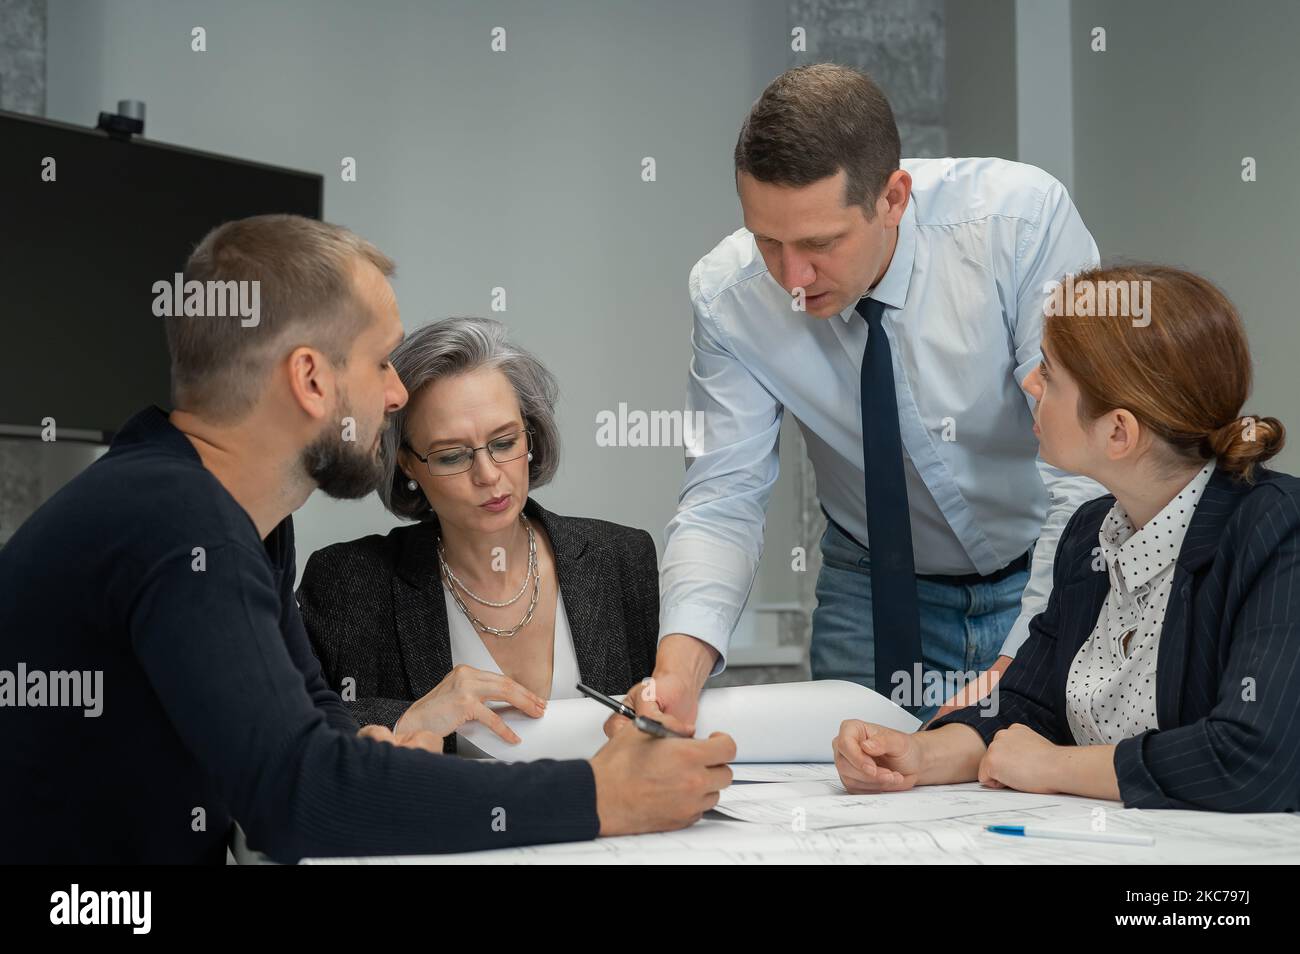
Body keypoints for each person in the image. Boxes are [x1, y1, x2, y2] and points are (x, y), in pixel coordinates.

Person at [0, 214, 733, 864]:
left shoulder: (232, 519)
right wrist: (599, 796)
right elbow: (296, 802)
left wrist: (370, 758)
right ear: (312, 380)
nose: (394, 394)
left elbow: (319, 737)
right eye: (382, 360)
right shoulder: (183, 531)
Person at [615, 63, 1103, 734]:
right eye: (767, 241)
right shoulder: (729, 298)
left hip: (1044, 567)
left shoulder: (1019, 225)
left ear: (893, 198)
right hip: (868, 582)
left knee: (1033, 799)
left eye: (821, 244)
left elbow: (1082, 469)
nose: (792, 277)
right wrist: (676, 676)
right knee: (853, 808)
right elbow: (721, 500)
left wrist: (1024, 656)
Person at [831, 264, 1299, 812]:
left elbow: (1255, 758)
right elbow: (1026, 705)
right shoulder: (1090, 532)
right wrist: (916, 753)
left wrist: (1055, 766)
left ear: (1118, 432)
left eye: (1049, 374)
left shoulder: (1276, 531)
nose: (1029, 383)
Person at [298, 317, 659, 750]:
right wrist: (408, 720)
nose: (488, 476)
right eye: (452, 456)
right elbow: (292, 728)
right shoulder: (349, 582)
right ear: (407, 464)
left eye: (505, 443)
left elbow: (656, 725)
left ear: (533, 434)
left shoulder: (621, 559)